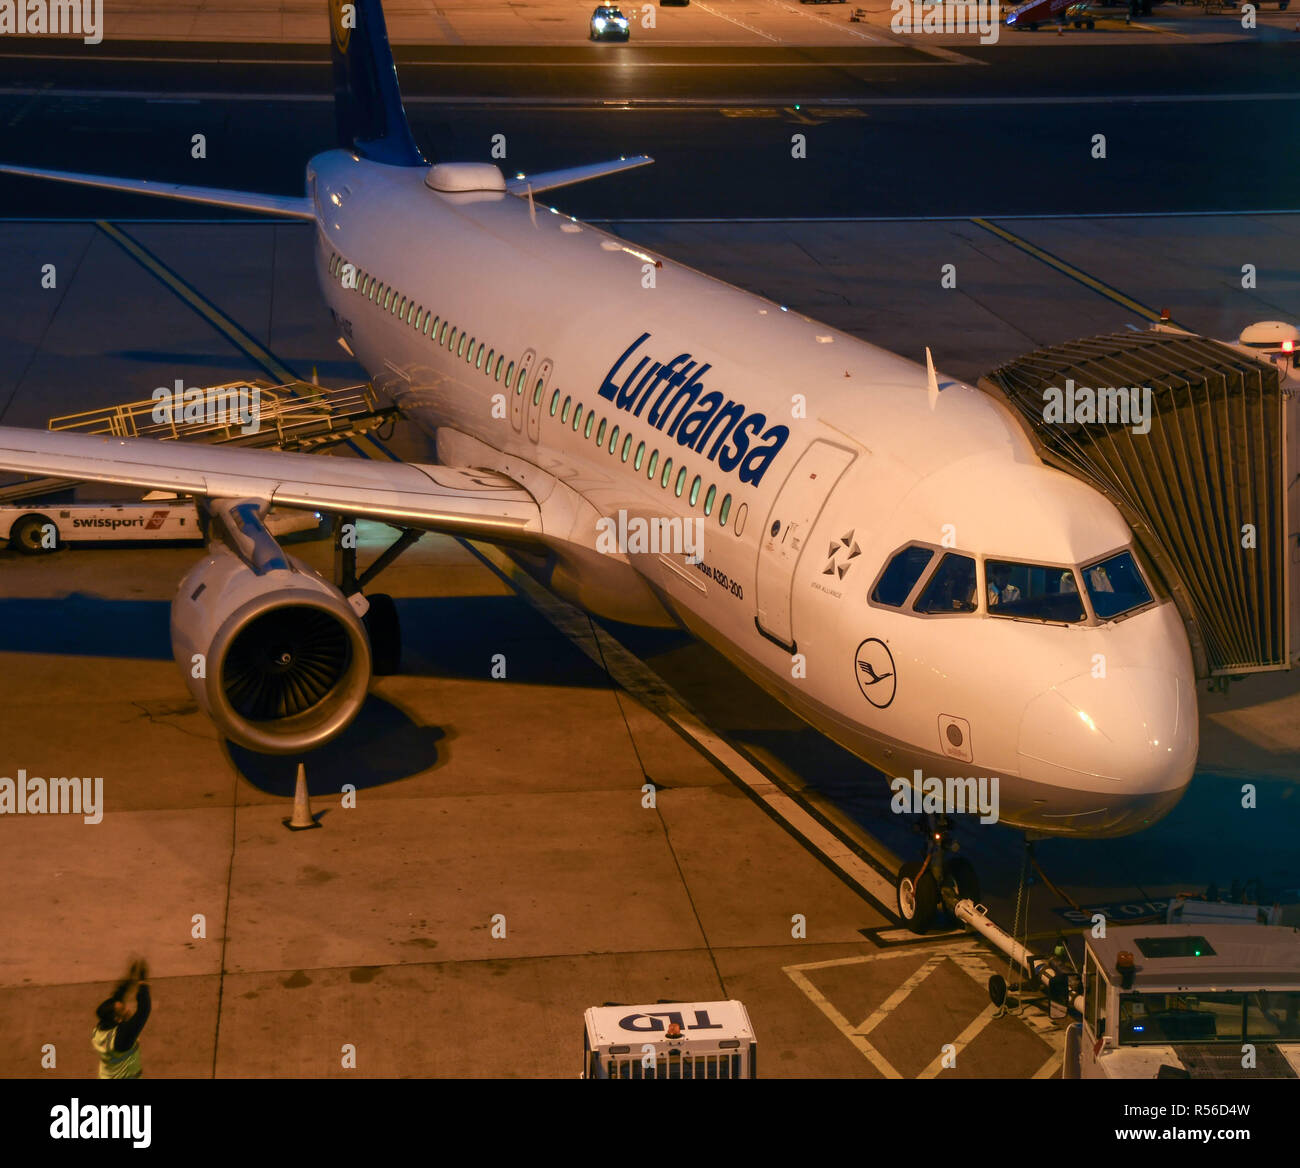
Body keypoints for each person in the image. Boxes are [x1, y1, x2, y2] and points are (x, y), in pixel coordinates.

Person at [92, 958, 151, 1079]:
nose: (127, 1009)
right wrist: (143, 983)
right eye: (123, 1010)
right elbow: (143, 1010)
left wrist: (129, 979)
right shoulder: (122, 1038)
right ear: (117, 1019)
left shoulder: (101, 1029)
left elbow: (117, 998)